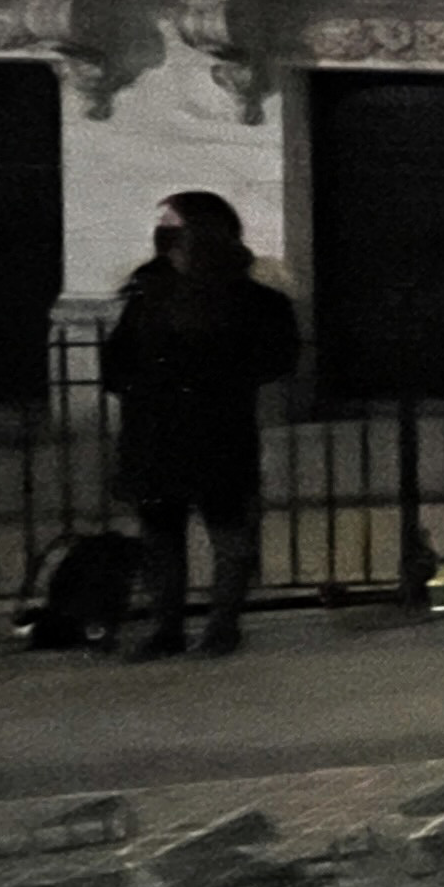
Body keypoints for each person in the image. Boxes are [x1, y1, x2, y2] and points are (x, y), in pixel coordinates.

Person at [101, 191, 302, 658]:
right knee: (161, 537)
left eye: (173, 222)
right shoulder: (149, 291)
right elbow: (118, 359)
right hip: (156, 432)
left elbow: (277, 357)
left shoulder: (254, 299)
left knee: (229, 534)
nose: (163, 231)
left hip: (216, 431)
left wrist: (215, 382)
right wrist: (139, 388)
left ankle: (222, 626)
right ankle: (167, 627)